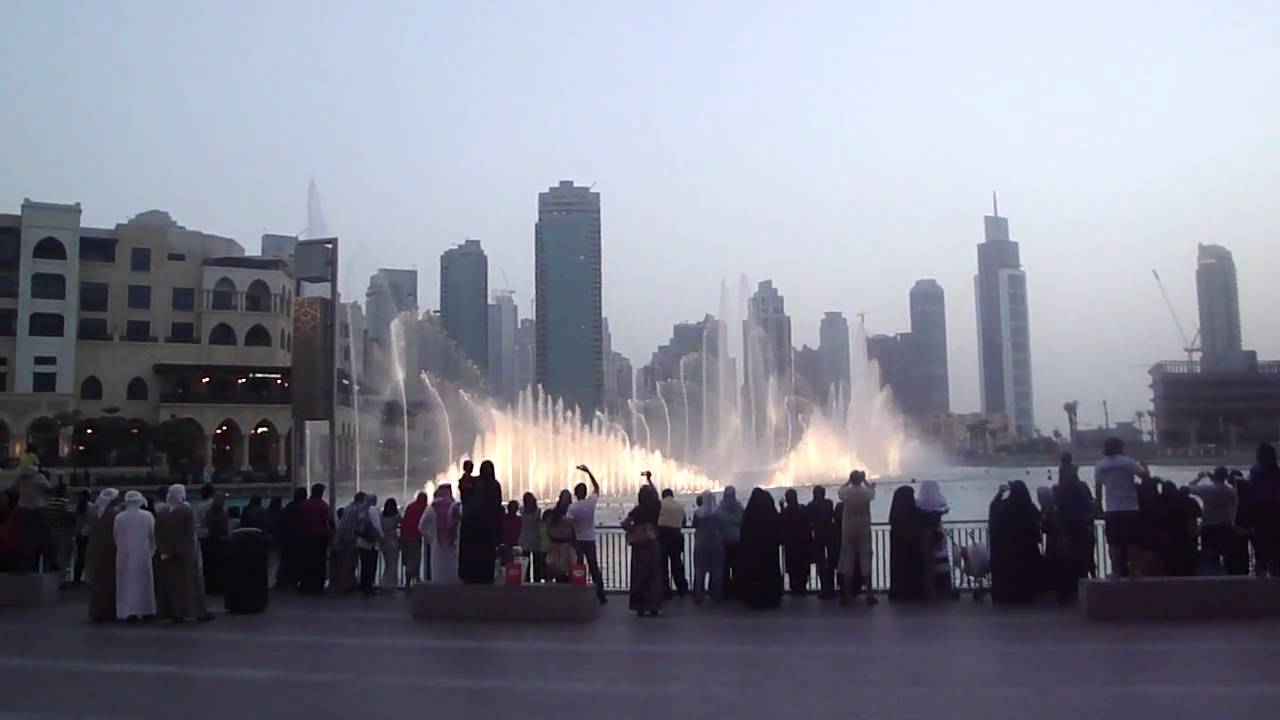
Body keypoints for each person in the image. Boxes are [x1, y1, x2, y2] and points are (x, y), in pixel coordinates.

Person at [1093, 437, 1152, 578]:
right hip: (1131, 507)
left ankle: (1116, 571)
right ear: (1120, 447)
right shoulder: (1128, 461)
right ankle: (1135, 571)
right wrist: (1145, 465)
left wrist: (1099, 507)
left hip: (1112, 509)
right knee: (1133, 541)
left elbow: (1098, 488)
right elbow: (1145, 477)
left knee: (1114, 542)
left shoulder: (1100, 465)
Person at [154, 484, 213, 623]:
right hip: (186, 553)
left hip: (167, 554)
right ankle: (195, 611)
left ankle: (174, 612)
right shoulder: (187, 510)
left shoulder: (162, 512)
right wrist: (180, 549)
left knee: (171, 584)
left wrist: (165, 551)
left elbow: (158, 534)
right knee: (190, 583)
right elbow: (189, 533)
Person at [988, 481, 1042, 604]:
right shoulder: (1029, 507)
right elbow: (1039, 519)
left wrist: (999, 494)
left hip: (1008, 550)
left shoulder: (1005, 507)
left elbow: (994, 508)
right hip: (1027, 549)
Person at [736, 488, 783, 609]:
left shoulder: (748, 515)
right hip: (769, 552)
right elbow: (778, 530)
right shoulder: (771, 514)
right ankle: (771, 597)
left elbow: (743, 534)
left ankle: (753, 598)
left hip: (752, 554)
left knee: (753, 575)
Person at [622, 479, 664, 616]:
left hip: (639, 547)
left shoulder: (637, 510)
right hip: (653, 544)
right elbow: (657, 496)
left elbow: (625, 523)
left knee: (639, 575)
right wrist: (651, 481)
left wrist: (634, 529)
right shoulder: (656, 507)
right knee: (654, 575)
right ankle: (654, 606)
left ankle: (639, 607)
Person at [113, 491, 156, 621]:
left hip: (124, 554)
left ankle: (127, 611)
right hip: (143, 554)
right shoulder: (148, 515)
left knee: (126, 583)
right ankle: (146, 609)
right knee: (144, 583)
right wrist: (151, 551)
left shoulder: (119, 517)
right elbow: (153, 536)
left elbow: (115, 536)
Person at [458, 460, 503, 584]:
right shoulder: (494, 485)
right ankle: (485, 575)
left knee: (474, 553)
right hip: (487, 527)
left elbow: (464, 489)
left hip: (473, 527)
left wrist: (467, 471)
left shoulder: (475, 482)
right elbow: (497, 507)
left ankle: (470, 575)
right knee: (486, 554)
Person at [1054, 453, 1096, 581]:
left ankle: (1074, 582)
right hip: (1081, 525)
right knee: (1085, 556)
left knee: (1072, 556)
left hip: (1069, 525)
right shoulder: (1081, 486)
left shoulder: (1058, 488)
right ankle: (1090, 580)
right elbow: (1090, 503)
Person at [1189, 467, 1239, 574]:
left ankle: (1211, 578)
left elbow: (1189, 487)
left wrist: (1199, 477)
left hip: (1209, 526)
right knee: (1227, 555)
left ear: (1214, 475)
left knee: (1209, 556)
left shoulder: (1207, 490)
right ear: (1225, 476)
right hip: (1225, 526)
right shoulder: (1231, 491)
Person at [569, 465, 607, 603]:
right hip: (590, 540)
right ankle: (601, 594)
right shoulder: (590, 503)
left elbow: (569, 524)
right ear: (585, 493)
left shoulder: (573, 507)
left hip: (578, 541)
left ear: (575, 493)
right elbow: (597, 487)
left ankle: (577, 594)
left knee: (577, 568)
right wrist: (589, 472)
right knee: (594, 567)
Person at [838, 471, 877, 605]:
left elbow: (840, 491)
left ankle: (846, 595)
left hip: (848, 530)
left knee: (848, 563)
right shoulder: (865, 493)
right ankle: (869, 594)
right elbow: (872, 492)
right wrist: (865, 482)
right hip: (864, 530)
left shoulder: (847, 493)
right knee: (866, 562)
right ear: (861, 480)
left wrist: (848, 481)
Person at [86, 488, 121, 622]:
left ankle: (96, 610)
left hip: (95, 549)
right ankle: (108, 610)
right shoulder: (114, 514)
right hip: (110, 549)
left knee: (97, 581)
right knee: (109, 581)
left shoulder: (94, 513)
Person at [888, 486, 927, 601]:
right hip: (913, 549)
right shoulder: (914, 511)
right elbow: (927, 517)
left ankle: (899, 591)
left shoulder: (895, 515)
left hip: (899, 551)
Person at [917, 480, 954, 599]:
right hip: (938, 532)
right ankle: (943, 587)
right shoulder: (940, 501)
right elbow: (945, 507)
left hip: (925, 534)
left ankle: (928, 588)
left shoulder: (919, 502)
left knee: (928, 561)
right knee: (941, 558)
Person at [1037, 485, 1075, 600]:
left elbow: (1045, 527)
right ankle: (1066, 591)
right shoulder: (1058, 508)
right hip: (1063, 541)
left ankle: (1062, 592)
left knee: (1058, 565)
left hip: (1056, 542)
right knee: (1063, 565)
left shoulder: (1048, 510)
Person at [420, 484, 460, 584]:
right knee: (451, 572)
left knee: (438, 572)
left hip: (436, 545)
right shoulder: (455, 507)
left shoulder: (431, 508)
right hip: (452, 545)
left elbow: (421, 526)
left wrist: (430, 537)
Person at [297, 484, 334, 594]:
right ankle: (317, 586)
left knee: (306, 561)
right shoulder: (323, 505)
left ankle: (305, 585)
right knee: (319, 562)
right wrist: (332, 533)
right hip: (320, 537)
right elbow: (330, 521)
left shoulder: (304, 505)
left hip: (305, 536)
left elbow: (298, 520)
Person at [1250, 443, 1280, 576]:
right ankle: (1274, 566)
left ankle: (1260, 566)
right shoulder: (1277, 471)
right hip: (1276, 508)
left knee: (1260, 538)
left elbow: (1251, 488)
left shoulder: (1255, 471)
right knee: (1275, 538)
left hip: (1259, 509)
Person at [691, 490, 724, 604]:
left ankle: (698, 596)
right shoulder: (717, 512)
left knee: (699, 571)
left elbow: (694, 525)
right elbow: (721, 526)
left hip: (701, 543)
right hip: (715, 543)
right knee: (716, 571)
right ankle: (716, 595)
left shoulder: (697, 512)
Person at [807, 486, 838, 598]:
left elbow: (809, 520)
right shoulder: (829, 503)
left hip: (818, 536)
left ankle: (824, 587)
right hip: (830, 535)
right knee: (831, 562)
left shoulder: (811, 506)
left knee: (821, 563)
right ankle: (831, 587)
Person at [333, 491, 366, 593]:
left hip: (343, 538)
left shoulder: (348, 507)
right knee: (350, 563)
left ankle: (346, 583)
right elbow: (355, 525)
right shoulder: (356, 510)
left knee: (345, 562)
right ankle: (346, 585)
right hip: (351, 539)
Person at [658, 488, 689, 597]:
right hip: (676, 536)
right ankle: (682, 588)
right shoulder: (679, 506)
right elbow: (684, 522)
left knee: (662, 564)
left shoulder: (660, 505)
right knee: (677, 563)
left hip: (662, 536)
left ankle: (665, 590)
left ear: (663, 495)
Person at [779, 488, 810, 596]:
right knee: (803, 566)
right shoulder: (803, 509)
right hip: (803, 543)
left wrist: (781, 507)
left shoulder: (786, 512)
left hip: (791, 544)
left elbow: (781, 522)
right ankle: (802, 587)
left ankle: (794, 588)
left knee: (793, 567)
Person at [715, 485, 744, 598]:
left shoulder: (719, 508)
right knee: (736, 568)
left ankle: (725, 591)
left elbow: (717, 523)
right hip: (736, 540)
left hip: (724, 541)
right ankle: (737, 591)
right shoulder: (739, 507)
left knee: (725, 568)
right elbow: (742, 520)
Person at [277, 487, 308, 590]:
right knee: (299, 559)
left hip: (288, 537)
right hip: (300, 537)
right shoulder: (304, 507)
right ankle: (296, 579)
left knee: (287, 560)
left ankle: (285, 580)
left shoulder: (290, 506)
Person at [544, 492, 577, 583]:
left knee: (558, 569)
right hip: (561, 544)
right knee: (559, 569)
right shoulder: (569, 512)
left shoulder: (557, 512)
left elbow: (549, 527)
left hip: (561, 544)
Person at [400, 491, 428, 590]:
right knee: (414, 559)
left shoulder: (410, 506)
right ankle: (409, 584)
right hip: (414, 536)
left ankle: (414, 581)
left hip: (404, 536)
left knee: (408, 559)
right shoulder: (423, 508)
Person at [202, 493, 229, 594]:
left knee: (210, 566)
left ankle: (210, 587)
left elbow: (206, 523)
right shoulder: (224, 513)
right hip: (221, 541)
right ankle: (221, 586)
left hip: (210, 540)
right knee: (221, 566)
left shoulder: (209, 513)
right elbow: (225, 528)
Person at [356, 494, 383, 596]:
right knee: (371, 565)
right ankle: (369, 587)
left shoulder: (361, 509)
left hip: (361, 541)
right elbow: (376, 525)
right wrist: (381, 537)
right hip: (371, 543)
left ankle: (363, 584)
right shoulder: (372, 510)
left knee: (364, 565)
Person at [519, 492, 545, 582]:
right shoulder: (538, 511)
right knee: (537, 561)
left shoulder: (522, 510)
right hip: (536, 538)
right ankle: (537, 578)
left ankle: (525, 578)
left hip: (524, 538)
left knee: (525, 560)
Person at [379, 498, 401, 591]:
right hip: (393, 539)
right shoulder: (396, 516)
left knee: (387, 563)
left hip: (384, 541)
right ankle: (392, 584)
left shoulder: (382, 516)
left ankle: (384, 583)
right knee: (393, 563)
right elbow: (402, 522)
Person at [72, 489, 92, 585]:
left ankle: (77, 578)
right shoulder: (91, 507)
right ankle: (87, 578)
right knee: (89, 557)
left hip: (79, 534)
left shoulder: (78, 507)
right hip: (88, 535)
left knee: (79, 557)